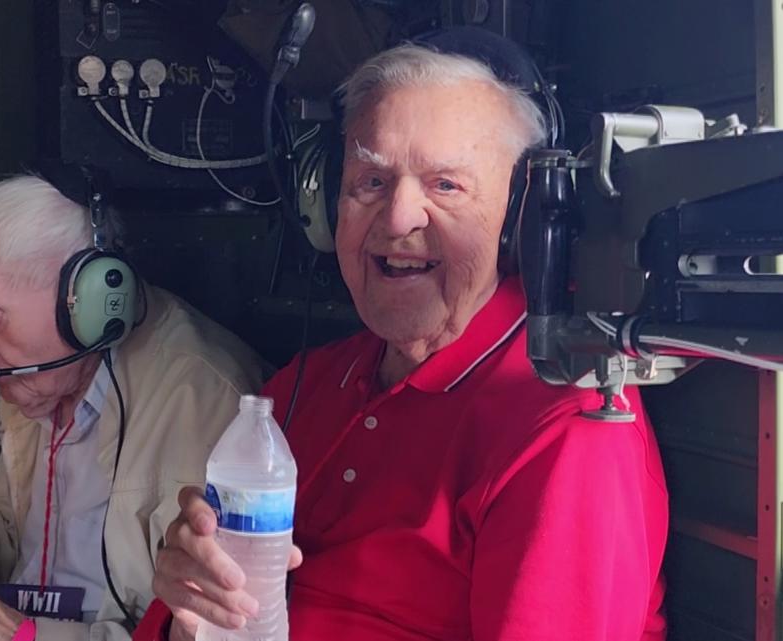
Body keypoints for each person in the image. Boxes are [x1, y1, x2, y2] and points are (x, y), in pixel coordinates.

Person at [137, 44, 669, 641]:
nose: (397, 219)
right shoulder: (303, 388)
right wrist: (187, 612)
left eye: (446, 185)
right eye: (371, 182)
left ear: (520, 220)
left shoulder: (568, 426)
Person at [0, 176, 265, 641]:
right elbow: (17, 537)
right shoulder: (35, 382)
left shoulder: (203, 399)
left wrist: (19, 635)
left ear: (86, 305)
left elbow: (203, 633)